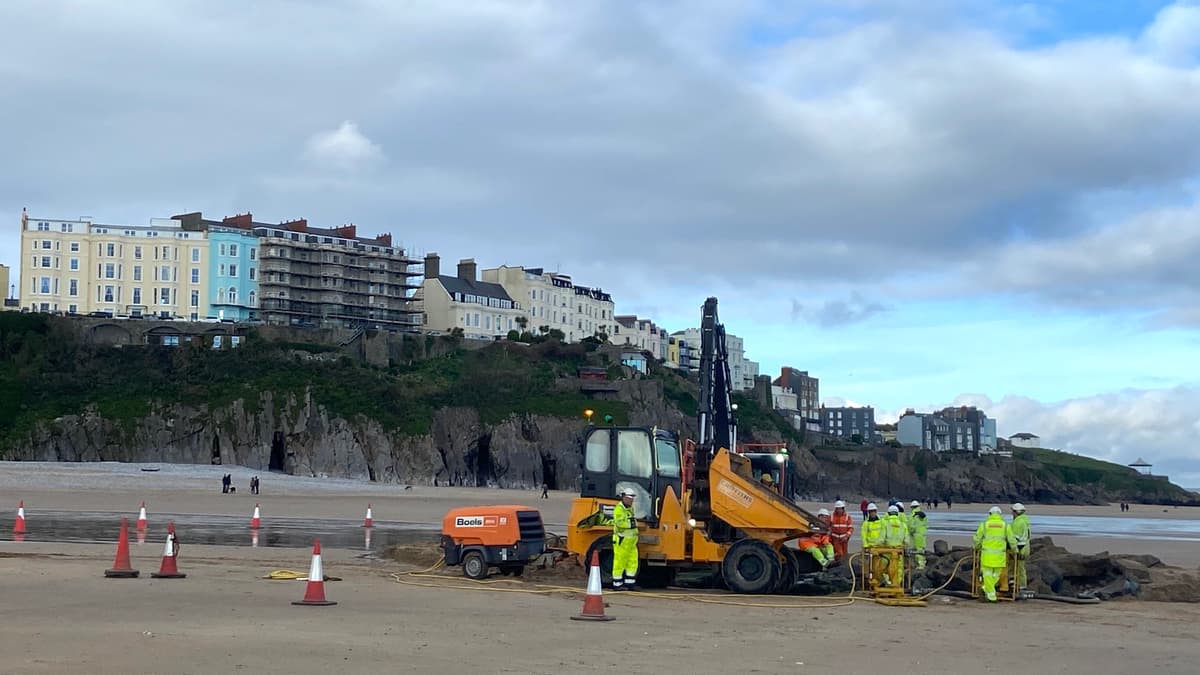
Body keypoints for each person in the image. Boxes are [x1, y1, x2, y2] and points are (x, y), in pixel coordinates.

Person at [974, 506, 1016, 602]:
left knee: (987, 575)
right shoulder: (1005, 526)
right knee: (996, 575)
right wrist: (1015, 550)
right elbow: (1011, 540)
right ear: (1000, 514)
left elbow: (977, 538)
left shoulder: (984, 525)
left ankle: (988, 592)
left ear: (990, 514)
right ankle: (990, 594)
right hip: (999, 556)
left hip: (987, 555)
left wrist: (976, 547)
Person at [611, 488, 640, 591]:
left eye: (632, 498)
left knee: (632, 562)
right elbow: (619, 523)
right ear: (624, 497)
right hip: (622, 541)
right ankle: (617, 584)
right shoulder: (619, 509)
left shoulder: (630, 509)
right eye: (629, 498)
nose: (631, 500)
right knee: (619, 562)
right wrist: (632, 524)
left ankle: (630, 583)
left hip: (631, 542)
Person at [880, 504, 909, 587]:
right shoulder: (903, 525)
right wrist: (904, 546)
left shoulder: (885, 523)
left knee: (884, 567)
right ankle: (896, 583)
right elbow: (906, 540)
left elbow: (881, 538)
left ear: (888, 513)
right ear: (897, 514)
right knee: (898, 569)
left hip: (887, 551)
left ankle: (888, 582)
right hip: (899, 551)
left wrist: (878, 545)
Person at [1010, 502, 1031, 590]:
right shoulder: (1025, 521)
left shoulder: (1018, 522)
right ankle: (1022, 586)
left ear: (1016, 512)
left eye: (1013, 512)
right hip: (1025, 549)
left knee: (1015, 568)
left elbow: (1015, 538)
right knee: (1021, 569)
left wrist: (1014, 550)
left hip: (1020, 549)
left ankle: (1018, 586)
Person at [908, 500, 928, 571]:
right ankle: (923, 563)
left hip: (916, 536)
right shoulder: (923, 515)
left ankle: (920, 565)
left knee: (917, 551)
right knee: (922, 550)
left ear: (912, 507)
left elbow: (911, 527)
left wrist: (910, 533)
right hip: (923, 535)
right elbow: (926, 525)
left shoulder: (912, 515)